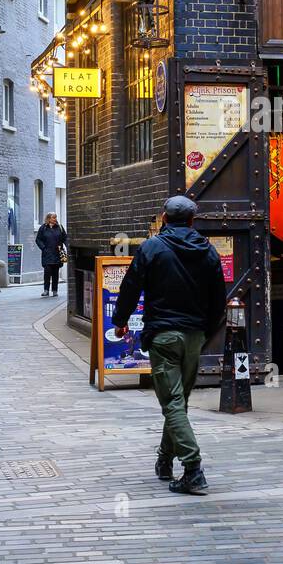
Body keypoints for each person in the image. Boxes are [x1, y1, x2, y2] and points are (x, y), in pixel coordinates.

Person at [113, 195, 227, 495]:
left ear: (164, 218)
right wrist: (206, 333)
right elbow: (219, 302)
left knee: (173, 403)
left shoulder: (152, 248)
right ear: (192, 220)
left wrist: (120, 319)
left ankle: (193, 469)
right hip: (193, 336)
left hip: (163, 335)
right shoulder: (208, 252)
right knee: (178, 403)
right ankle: (164, 461)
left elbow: (130, 286)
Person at [35, 212, 68, 297]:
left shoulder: (59, 227)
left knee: (55, 273)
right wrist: (43, 248)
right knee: (47, 272)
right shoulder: (43, 228)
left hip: (57, 253)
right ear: (49, 218)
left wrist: (67, 247)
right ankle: (46, 290)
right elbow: (38, 239)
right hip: (47, 253)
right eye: (53, 217)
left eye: (55, 217)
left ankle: (55, 290)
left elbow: (65, 238)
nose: (55, 219)